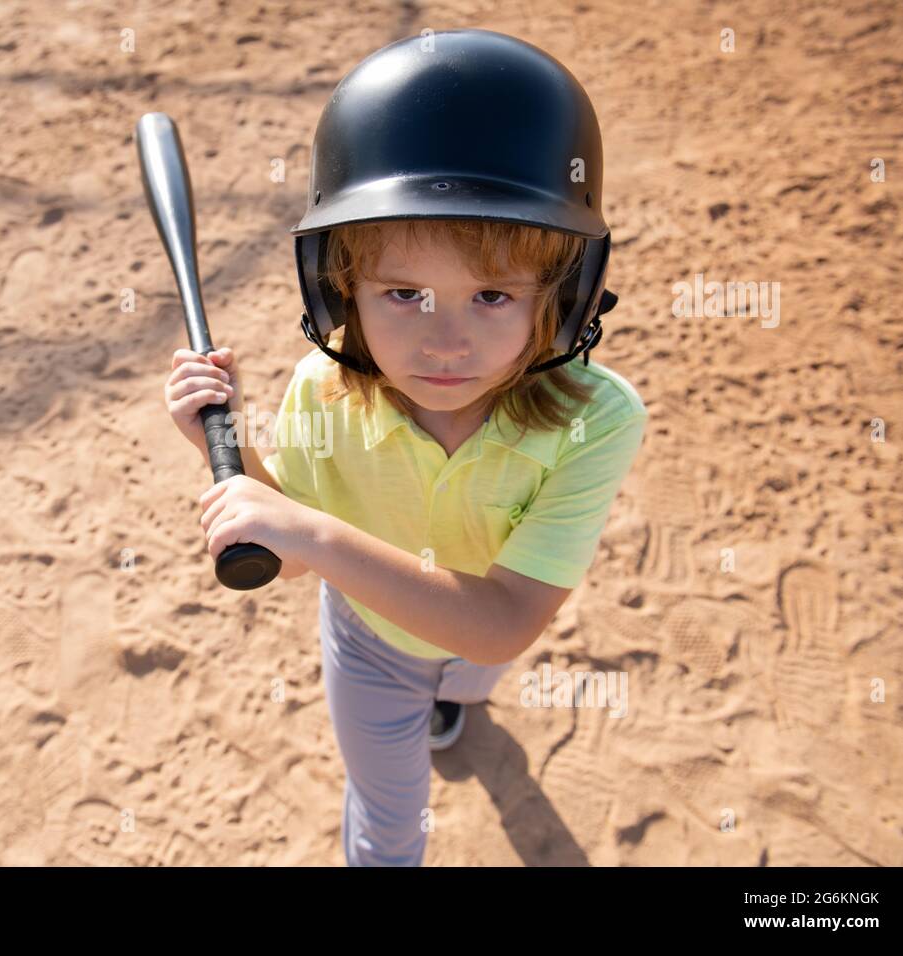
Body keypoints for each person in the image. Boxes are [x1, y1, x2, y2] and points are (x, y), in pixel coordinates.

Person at [164, 30, 648, 866]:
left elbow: (498, 622)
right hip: (369, 644)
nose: (445, 343)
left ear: (565, 299)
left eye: (493, 293)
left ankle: (451, 703)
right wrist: (226, 456)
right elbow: (288, 552)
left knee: (465, 675)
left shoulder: (597, 420)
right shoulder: (320, 389)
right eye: (403, 293)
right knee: (388, 823)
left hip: (474, 642)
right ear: (338, 287)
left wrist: (310, 533)